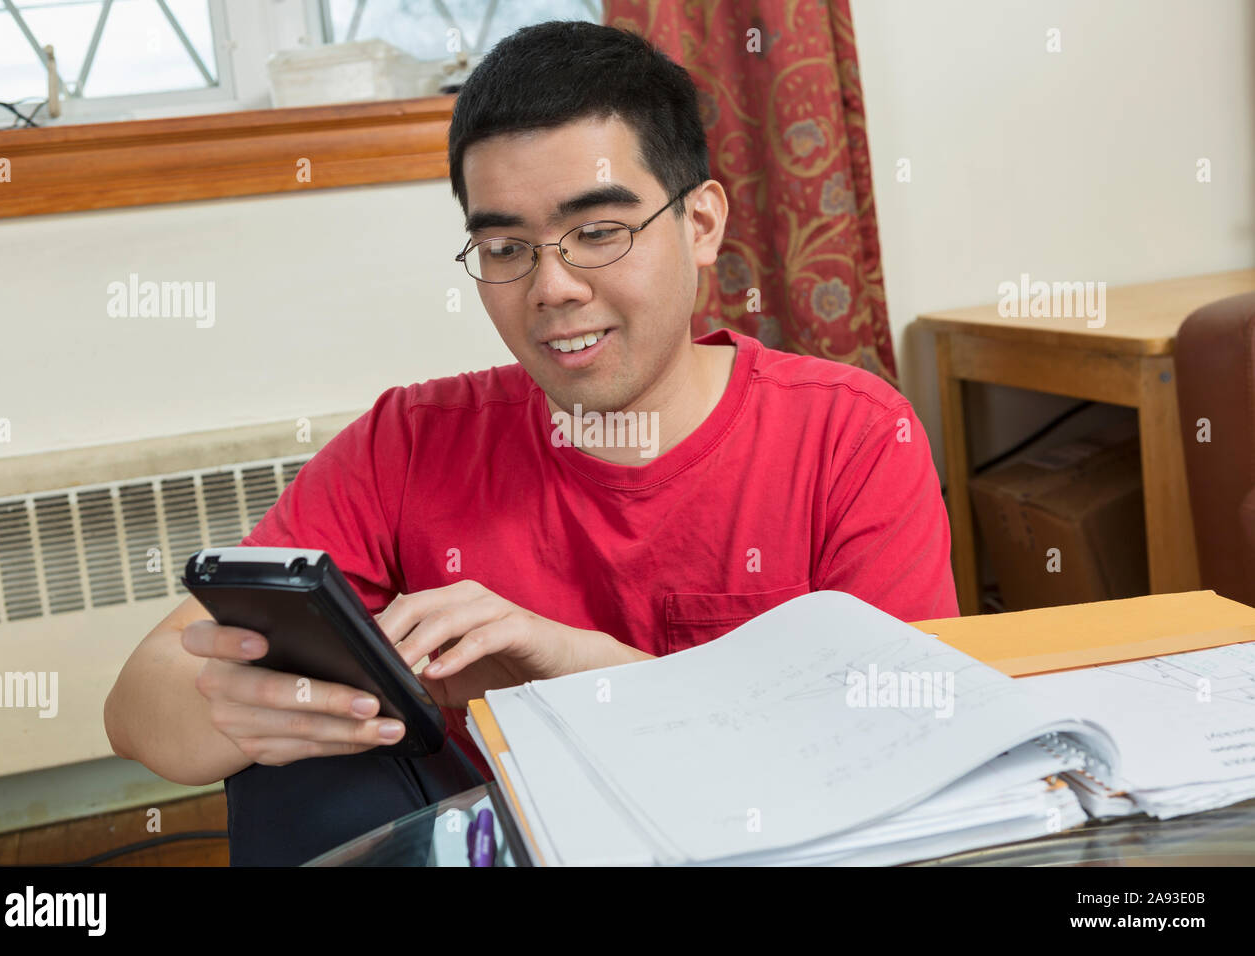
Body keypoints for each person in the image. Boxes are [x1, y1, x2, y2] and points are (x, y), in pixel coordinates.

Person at [104, 20, 958, 866]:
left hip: (756, 845)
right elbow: (140, 705)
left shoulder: (850, 434)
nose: (551, 289)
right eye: (506, 247)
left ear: (700, 224)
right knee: (292, 776)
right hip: (492, 845)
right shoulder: (407, 442)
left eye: (597, 233)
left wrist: (580, 670)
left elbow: (898, 748)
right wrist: (252, 710)